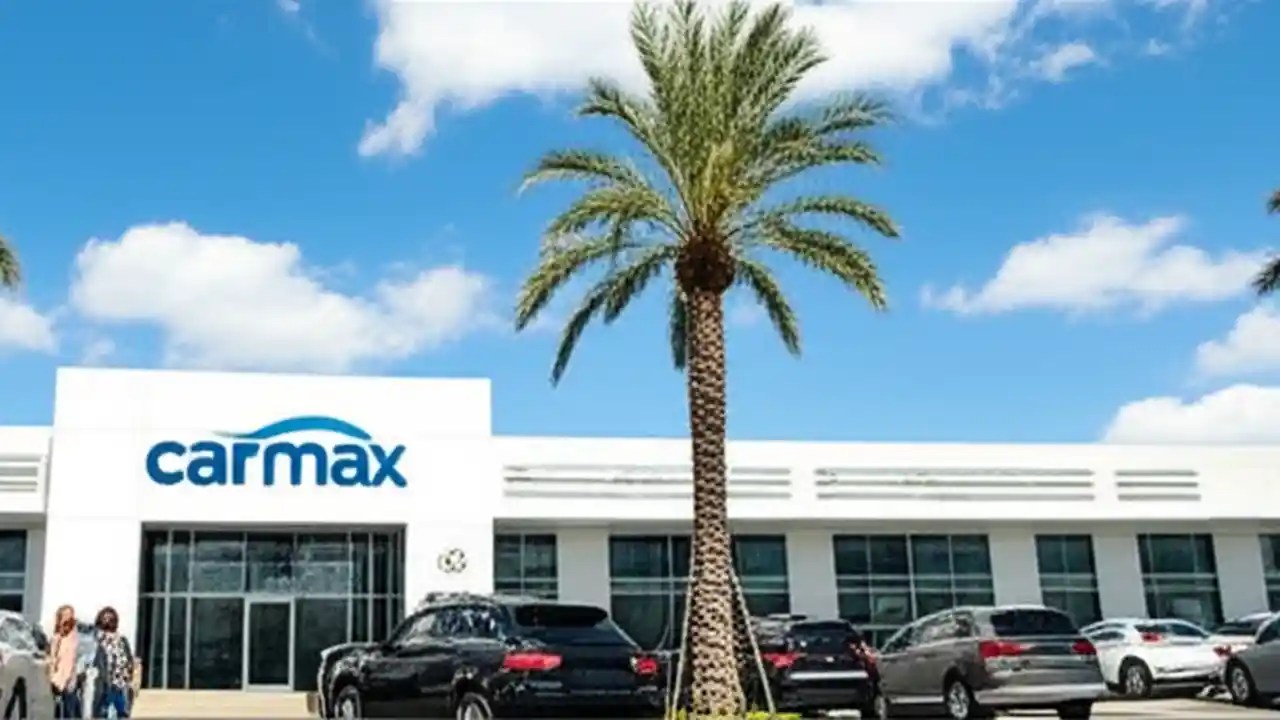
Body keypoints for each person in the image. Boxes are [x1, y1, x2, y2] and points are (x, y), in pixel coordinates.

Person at [90, 607, 136, 719]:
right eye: (105, 618)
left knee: (122, 713)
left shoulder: (122, 640)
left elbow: (129, 659)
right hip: (105, 684)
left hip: (121, 684)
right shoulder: (97, 639)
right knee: (101, 712)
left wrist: (130, 674)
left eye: (111, 618)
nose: (108, 621)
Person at [49, 605, 82, 719]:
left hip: (70, 684)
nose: (68, 622)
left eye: (71, 618)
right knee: (59, 712)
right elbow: (53, 660)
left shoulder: (74, 638)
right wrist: (54, 678)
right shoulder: (56, 638)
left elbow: (73, 660)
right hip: (58, 682)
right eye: (65, 618)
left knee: (70, 712)